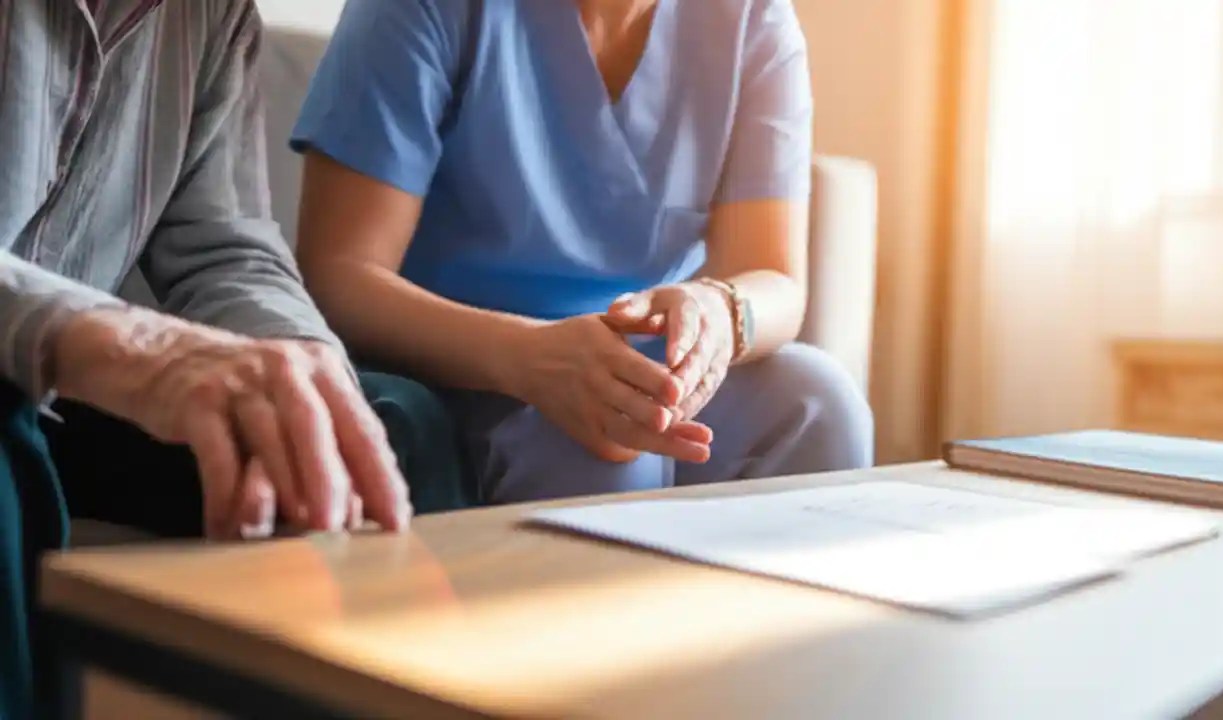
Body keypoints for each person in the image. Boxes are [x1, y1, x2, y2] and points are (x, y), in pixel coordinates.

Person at [0, 1, 465, 716]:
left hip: (73, 393)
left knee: (384, 424)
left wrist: (304, 369)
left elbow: (223, 246)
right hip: (37, 378)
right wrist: (131, 346)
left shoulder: (213, 15)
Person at [292, 0, 875, 505]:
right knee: (603, 447)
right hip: (468, 366)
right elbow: (341, 276)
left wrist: (721, 311)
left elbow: (773, 277)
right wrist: (526, 358)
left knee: (818, 403)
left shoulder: (751, 18)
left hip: (642, 361)